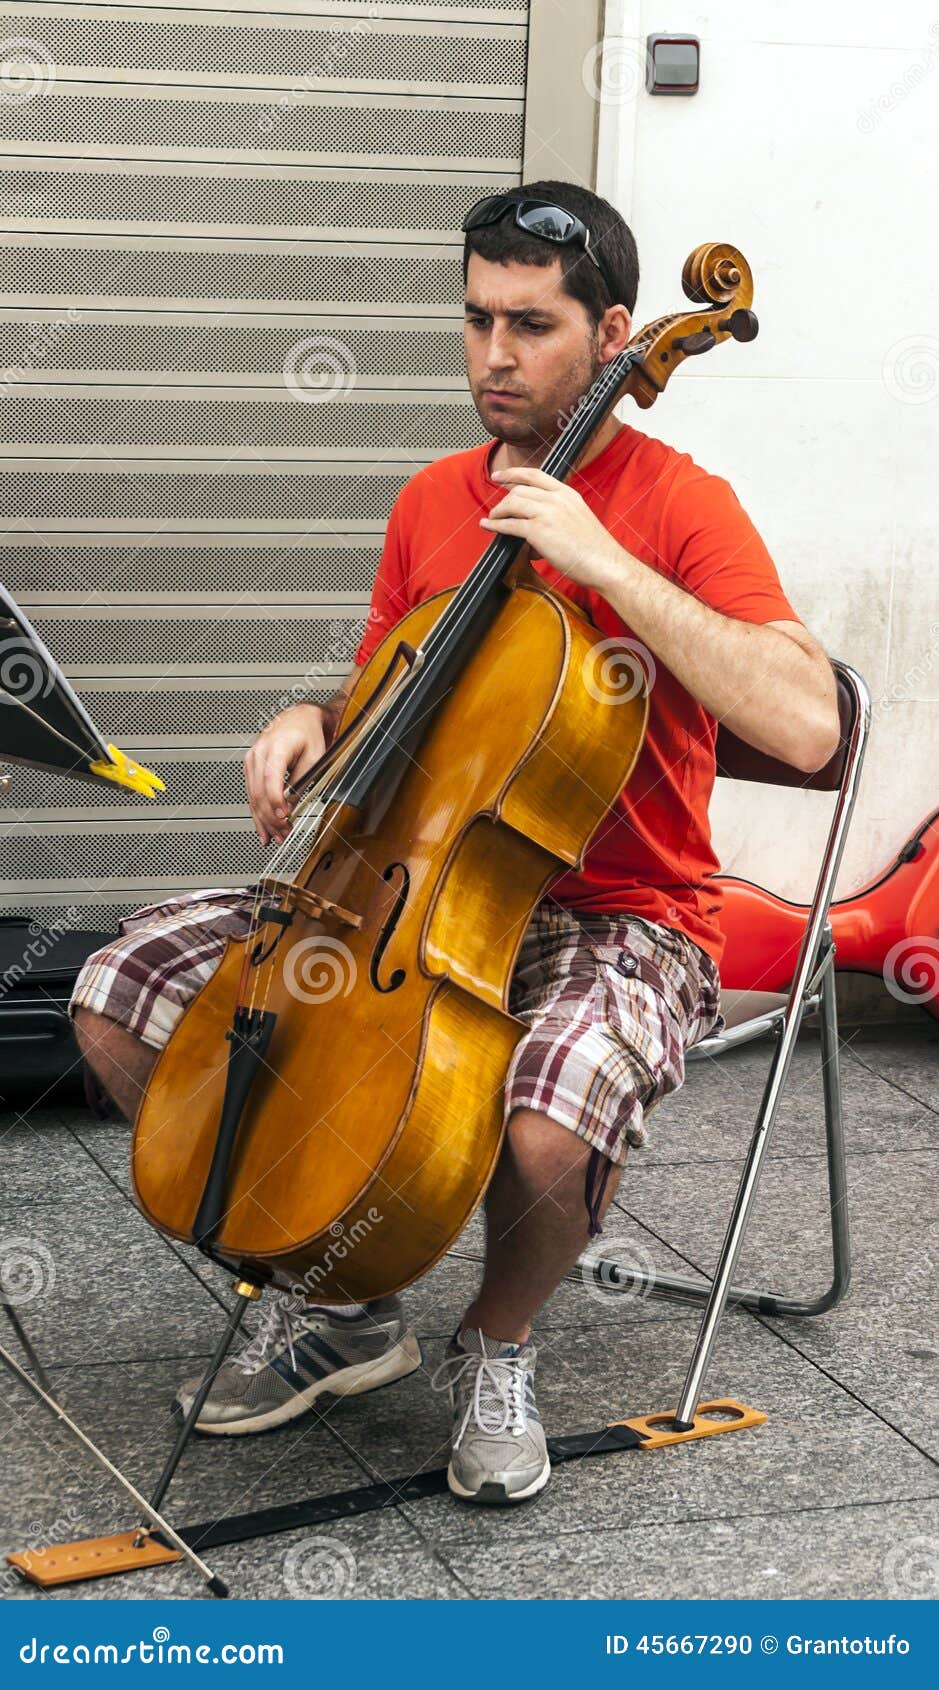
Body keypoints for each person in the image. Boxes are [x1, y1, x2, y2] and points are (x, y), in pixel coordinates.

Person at [71, 180, 840, 1506]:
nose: (493, 354)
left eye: (531, 324)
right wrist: (309, 721)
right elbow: (389, 691)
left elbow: (813, 722)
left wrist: (606, 565)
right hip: (396, 893)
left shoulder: (678, 503)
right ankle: (334, 1296)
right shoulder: (435, 500)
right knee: (116, 995)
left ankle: (499, 1338)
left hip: (624, 914)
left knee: (549, 1122)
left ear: (613, 337)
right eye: (476, 318)